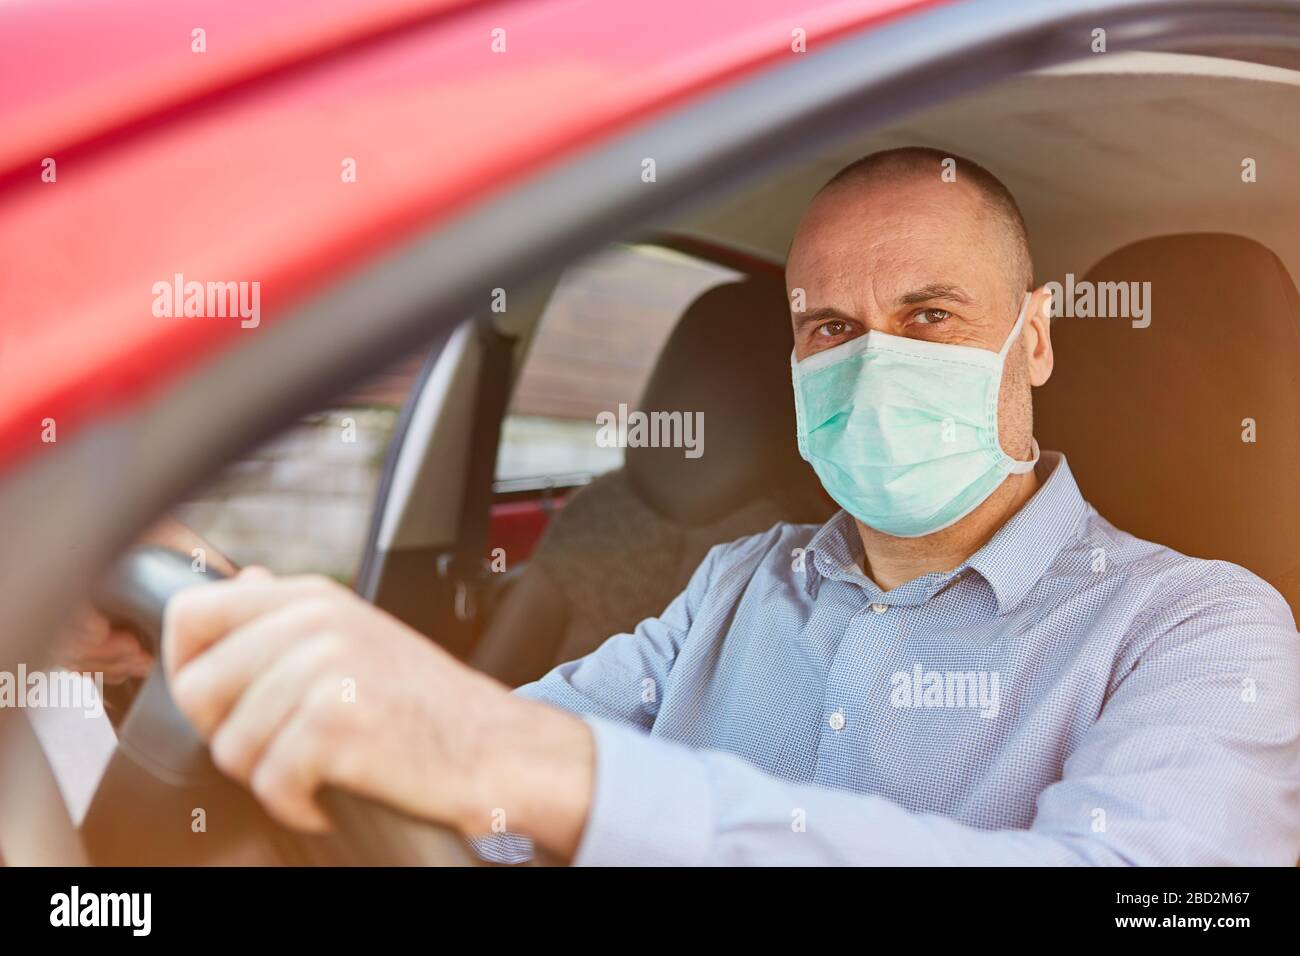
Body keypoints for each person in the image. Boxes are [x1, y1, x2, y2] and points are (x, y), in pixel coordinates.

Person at [147, 148, 1298, 865]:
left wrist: (557, 776)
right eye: (831, 329)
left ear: (1033, 337)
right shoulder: (740, 580)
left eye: (932, 315)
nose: (874, 362)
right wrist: (224, 626)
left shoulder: (1200, 628)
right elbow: (461, 753)